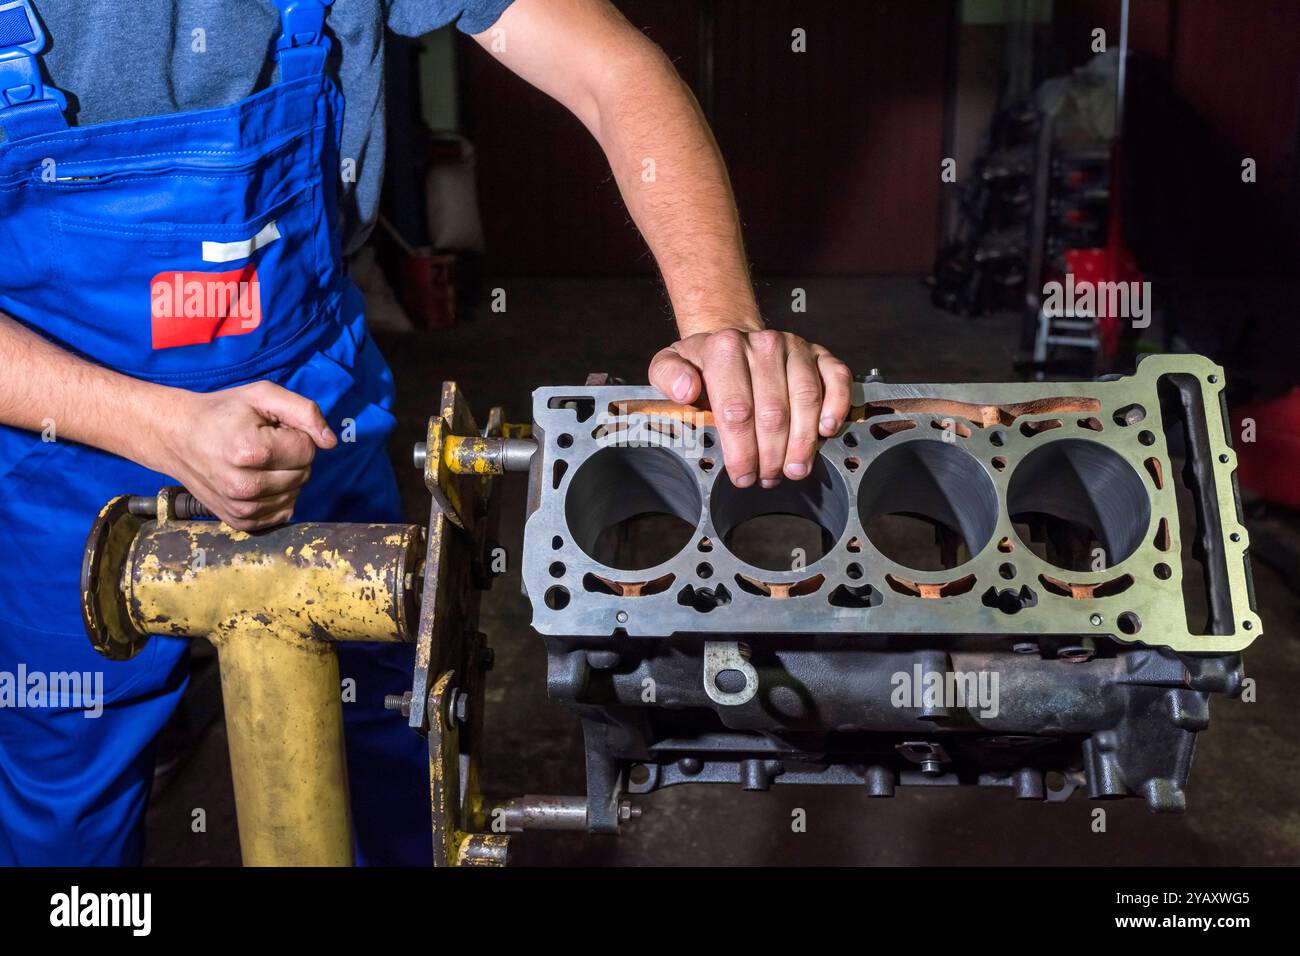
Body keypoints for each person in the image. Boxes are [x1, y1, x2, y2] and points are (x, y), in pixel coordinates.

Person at [0, 0, 851, 865]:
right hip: (60, 434)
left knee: (395, 738)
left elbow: (612, 71)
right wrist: (153, 423)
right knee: (67, 803)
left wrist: (721, 324)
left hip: (313, 412)